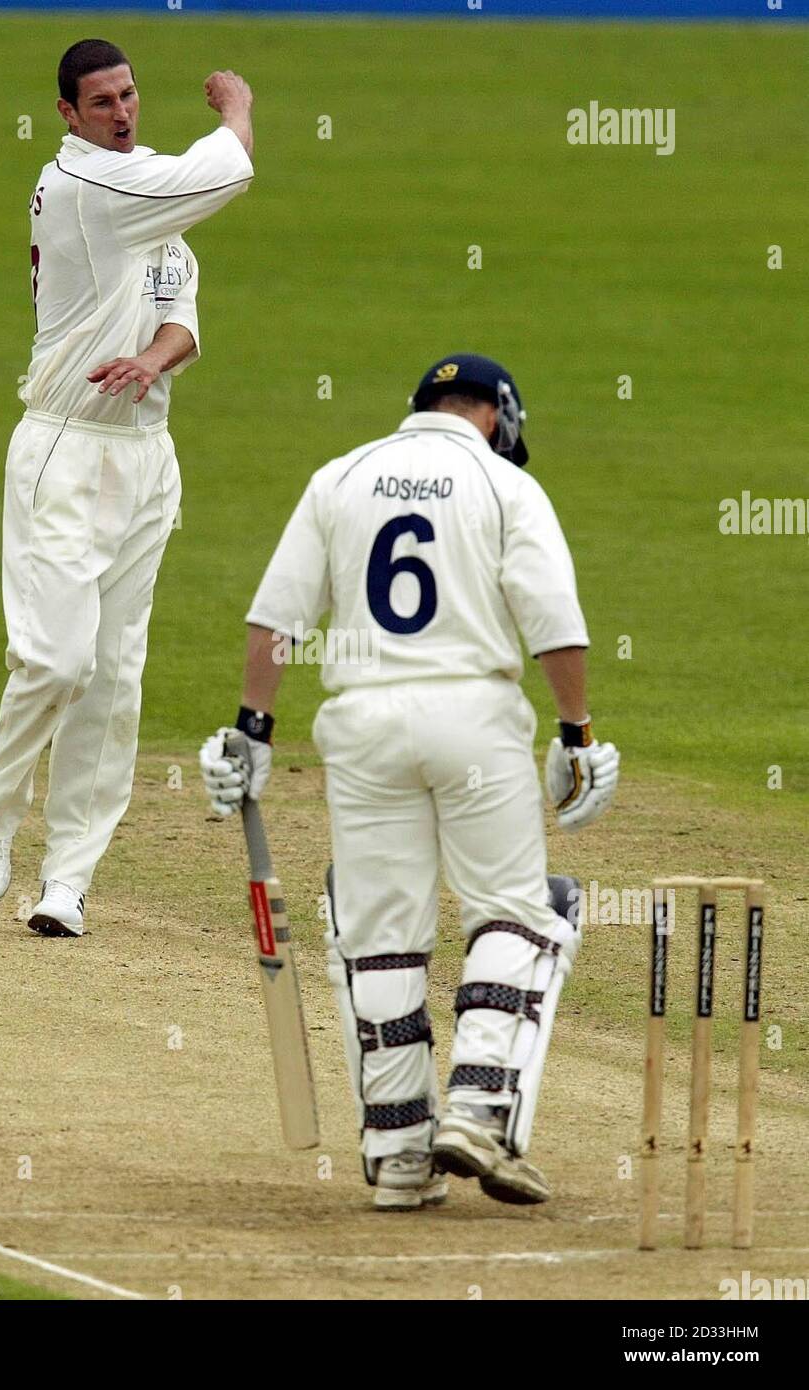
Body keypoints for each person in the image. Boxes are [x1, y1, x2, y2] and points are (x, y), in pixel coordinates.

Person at [200, 354, 620, 1210]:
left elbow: (274, 622)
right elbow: (557, 627)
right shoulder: (505, 489)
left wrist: (252, 728)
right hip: (473, 719)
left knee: (380, 931)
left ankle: (398, 1151)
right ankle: (475, 1104)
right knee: (517, 908)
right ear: (497, 418)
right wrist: (577, 734)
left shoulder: (341, 476)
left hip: (362, 727)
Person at [0, 40, 254, 937]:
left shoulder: (143, 201)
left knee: (115, 678)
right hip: (65, 447)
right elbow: (225, 171)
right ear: (68, 117)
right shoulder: (92, 188)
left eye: (129, 95)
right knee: (57, 659)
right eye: (101, 102)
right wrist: (236, 107)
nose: (122, 112)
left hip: (144, 456)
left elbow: (181, 317)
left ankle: (68, 880)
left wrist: (151, 358)